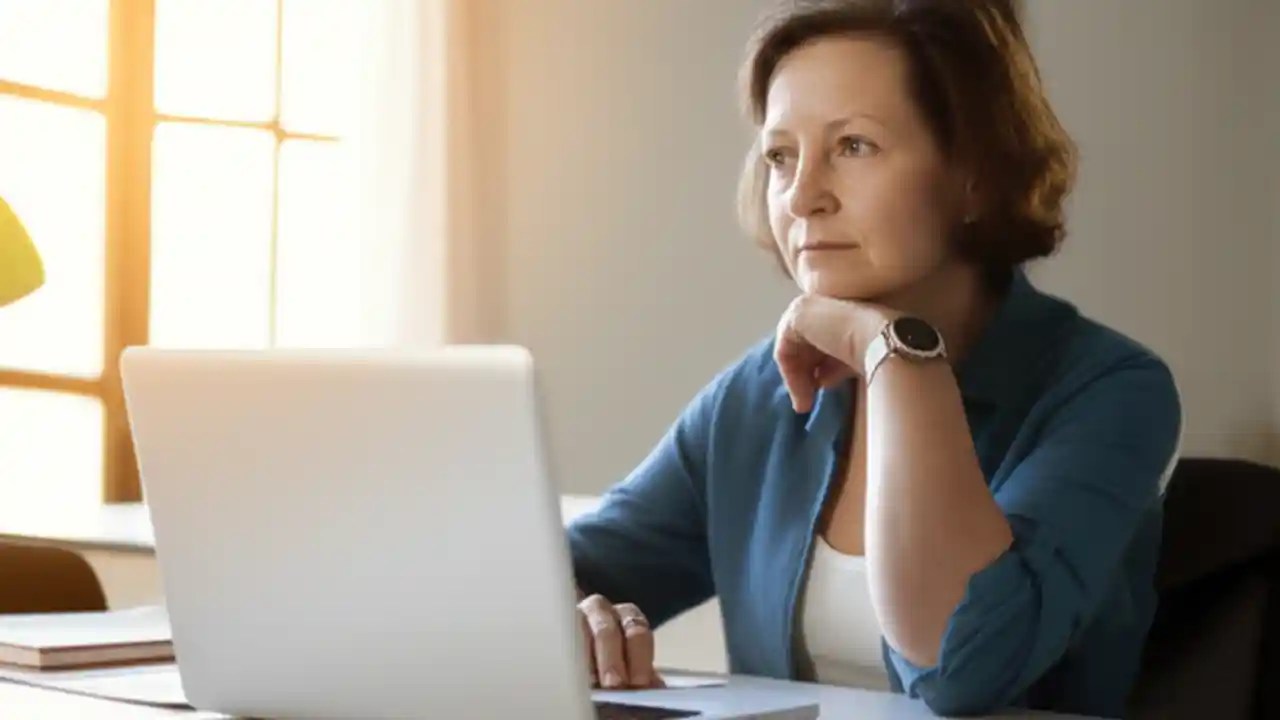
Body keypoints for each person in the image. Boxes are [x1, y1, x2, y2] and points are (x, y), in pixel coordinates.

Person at [566, 0, 1182, 717]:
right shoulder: (753, 400)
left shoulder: (1109, 392)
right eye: (779, 156)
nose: (801, 196)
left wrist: (894, 353)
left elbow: (961, 666)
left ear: (975, 173)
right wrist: (570, 610)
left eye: (854, 146)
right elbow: (559, 572)